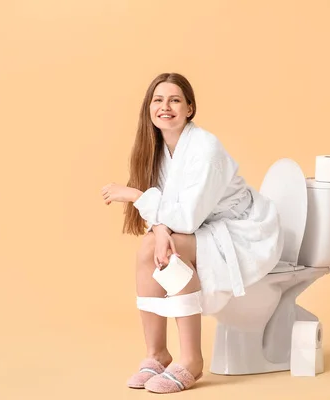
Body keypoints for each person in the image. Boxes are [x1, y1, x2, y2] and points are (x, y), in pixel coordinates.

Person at [100, 73, 283, 394]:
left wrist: (134, 195)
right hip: (202, 225)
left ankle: (191, 360)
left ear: (189, 108)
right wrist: (158, 229)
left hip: (245, 230)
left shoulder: (205, 147)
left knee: (170, 252)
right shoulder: (156, 150)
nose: (165, 107)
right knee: (147, 249)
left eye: (174, 100)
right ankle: (157, 354)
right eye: (158, 100)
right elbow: (168, 213)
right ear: (149, 108)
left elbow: (185, 217)